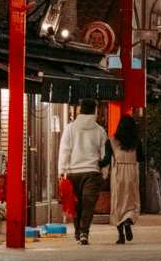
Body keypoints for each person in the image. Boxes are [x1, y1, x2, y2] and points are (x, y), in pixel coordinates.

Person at [58, 98, 108, 246]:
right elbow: (105, 154)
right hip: (92, 172)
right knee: (88, 204)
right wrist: (104, 173)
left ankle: (79, 232)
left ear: (80, 110)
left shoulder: (70, 128)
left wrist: (62, 170)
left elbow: (64, 150)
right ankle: (83, 232)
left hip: (73, 172)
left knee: (77, 204)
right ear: (95, 111)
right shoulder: (100, 130)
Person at [103, 114, 144, 245]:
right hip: (132, 173)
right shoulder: (136, 141)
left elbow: (106, 160)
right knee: (133, 203)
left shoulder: (111, 141)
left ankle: (121, 236)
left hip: (118, 174)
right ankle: (128, 221)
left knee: (118, 204)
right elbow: (141, 158)